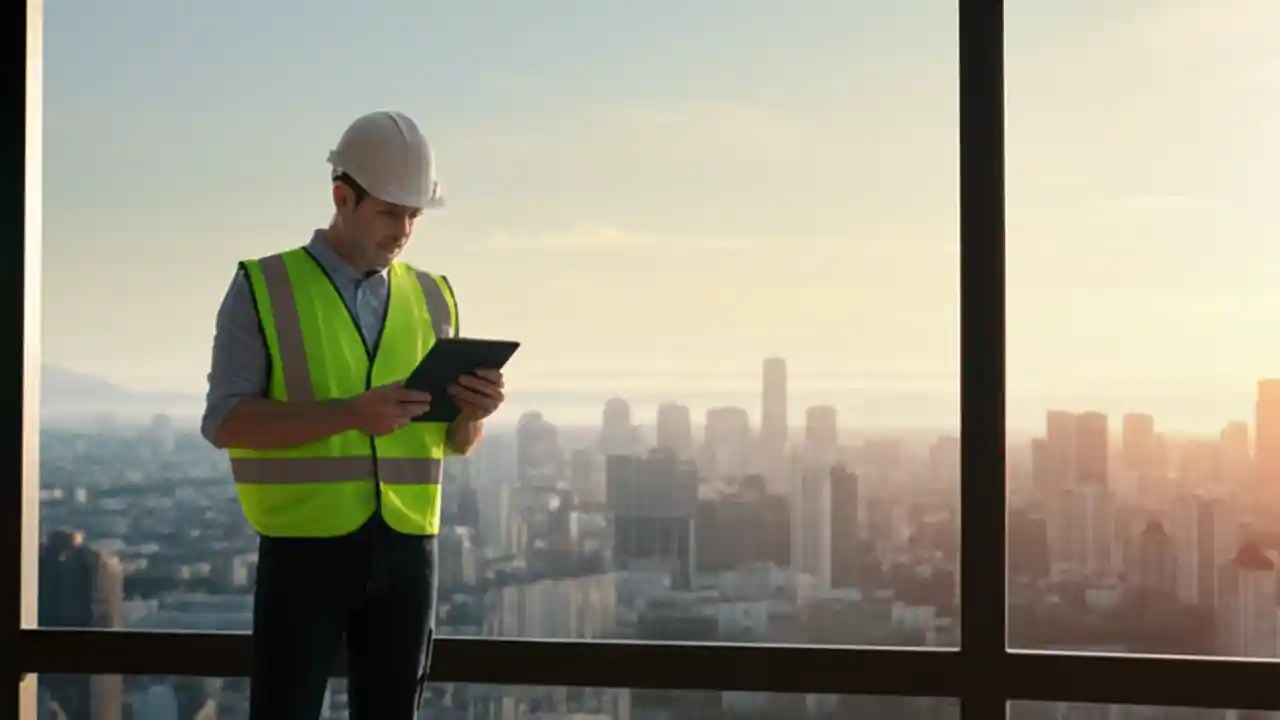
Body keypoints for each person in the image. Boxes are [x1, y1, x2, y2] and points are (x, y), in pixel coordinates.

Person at [200, 109, 506, 719]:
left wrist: (475, 412)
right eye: (389, 212)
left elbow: (457, 443)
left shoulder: (434, 295)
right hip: (304, 549)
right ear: (343, 196)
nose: (403, 230)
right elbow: (226, 421)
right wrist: (348, 415)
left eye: (414, 215)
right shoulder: (264, 286)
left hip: (409, 550)